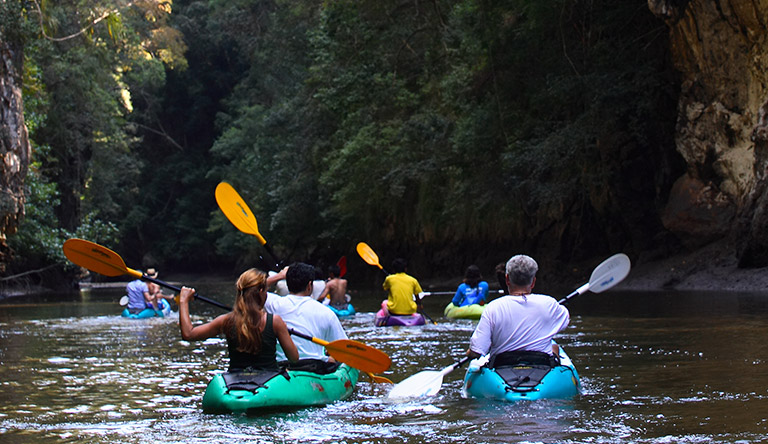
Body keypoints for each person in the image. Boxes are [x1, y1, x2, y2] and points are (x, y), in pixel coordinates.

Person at [177, 268, 299, 372]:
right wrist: (284, 331)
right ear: (261, 291)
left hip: (236, 380)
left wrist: (183, 301)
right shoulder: (275, 321)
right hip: (268, 380)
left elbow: (188, 334)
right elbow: (294, 358)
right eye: (266, 291)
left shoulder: (226, 321)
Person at [467, 255, 570, 368]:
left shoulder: (493, 307)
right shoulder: (549, 304)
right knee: (554, 347)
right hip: (540, 365)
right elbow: (565, 321)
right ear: (533, 282)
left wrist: (470, 353)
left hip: (503, 367)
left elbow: (476, 351)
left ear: (507, 279)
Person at [265, 263, 348, 361]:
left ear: (287, 284)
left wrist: (280, 276)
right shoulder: (326, 312)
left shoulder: (274, 303)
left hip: (282, 366)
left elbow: (252, 289)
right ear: (309, 285)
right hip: (314, 366)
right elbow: (344, 348)